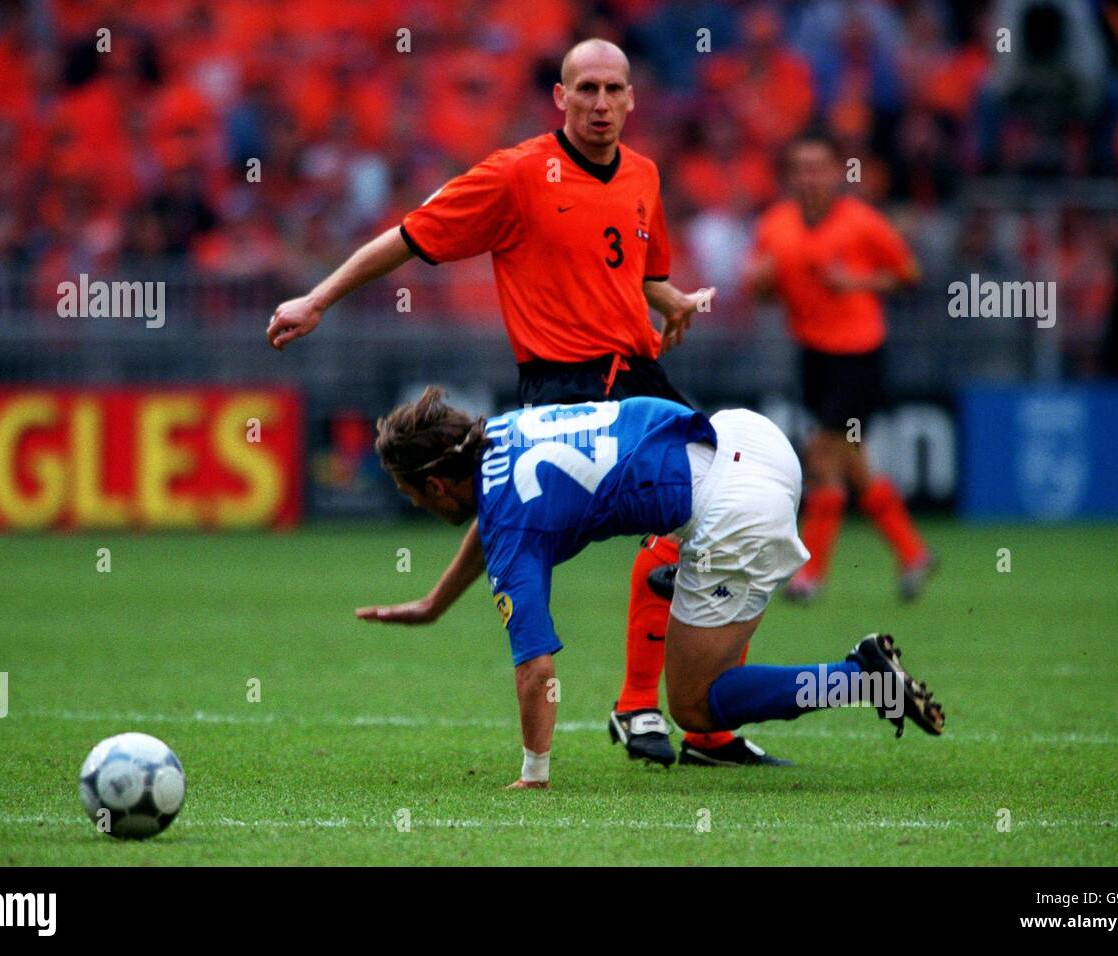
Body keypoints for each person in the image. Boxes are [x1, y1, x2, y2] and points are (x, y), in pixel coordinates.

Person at [268, 39, 765, 768]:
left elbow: (633, 273)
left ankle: (670, 716)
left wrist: (675, 297)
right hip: (565, 381)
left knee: (718, 505)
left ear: (632, 98)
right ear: (560, 98)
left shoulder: (645, 177)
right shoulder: (517, 173)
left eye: (613, 90)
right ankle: (648, 710)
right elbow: (408, 236)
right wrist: (317, 298)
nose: (600, 103)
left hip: (635, 370)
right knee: (691, 514)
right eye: (585, 89)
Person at [356, 387, 945, 789]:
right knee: (673, 566)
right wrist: (436, 604)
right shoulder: (504, 431)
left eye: (411, 495)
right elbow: (494, 515)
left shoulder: (510, 522)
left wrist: (533, 773)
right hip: (746, 437)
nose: (416, 505)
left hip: (735, 510)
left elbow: (537, 670)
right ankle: (659, 663)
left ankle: (862, 680)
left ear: (435, 484)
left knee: (694, 705)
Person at [744, 133, 935, 602]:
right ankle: (914, 553)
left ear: (835, 173)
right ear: (790, 176)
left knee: (822, 455)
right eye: (800, 167)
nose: (809, 177)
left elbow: (910, 275)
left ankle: (810, 573)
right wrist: (764, 282)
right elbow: (761, 291)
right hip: (811, 356)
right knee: (852, 465)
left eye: (818, 167)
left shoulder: (862, 223)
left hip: (858, 355)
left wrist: (856, 281)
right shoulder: (776, 225)